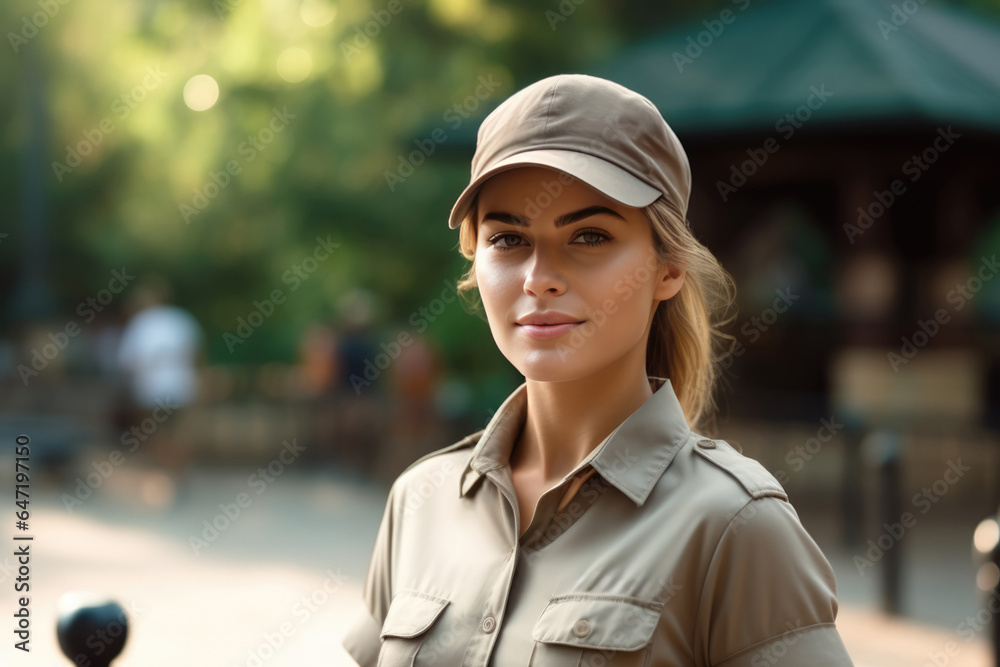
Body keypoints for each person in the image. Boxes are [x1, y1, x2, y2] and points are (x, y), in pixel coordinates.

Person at [341, 74, 855, 666]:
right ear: (474, 263)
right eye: (508, 239)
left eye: (589, 235)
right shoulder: (419, 499)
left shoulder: (734, 526)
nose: (538, 277)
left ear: (668, 269)